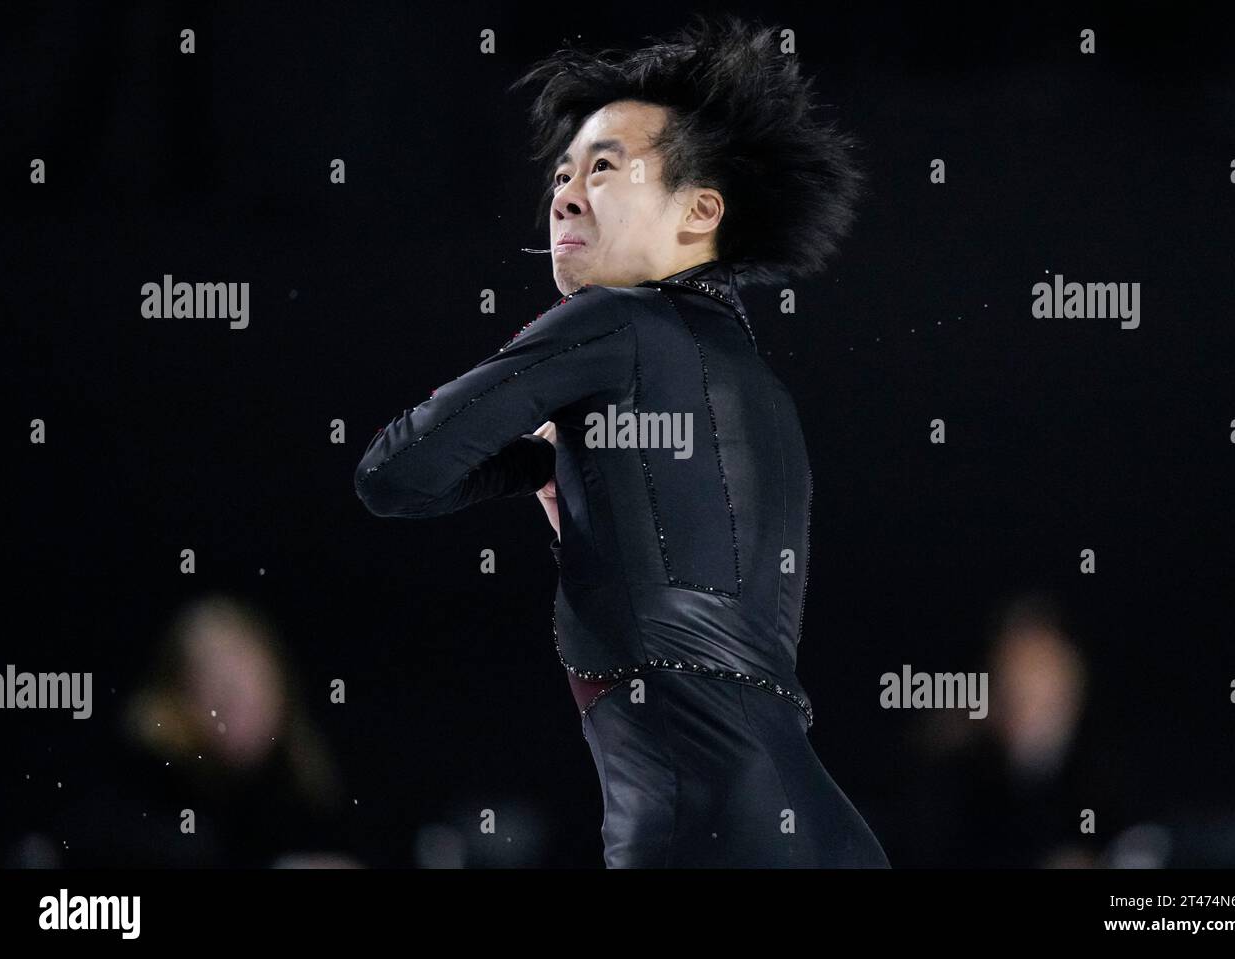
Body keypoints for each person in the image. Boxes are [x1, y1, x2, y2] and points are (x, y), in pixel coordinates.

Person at [354, 13, 889, 867]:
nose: (565, 192)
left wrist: (533, 456)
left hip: (704, 838)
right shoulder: (759, 392)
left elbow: (397, 471)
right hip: (820, 829)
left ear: (699, 210)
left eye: (604, 168)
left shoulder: (615, 322)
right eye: (562, 174)